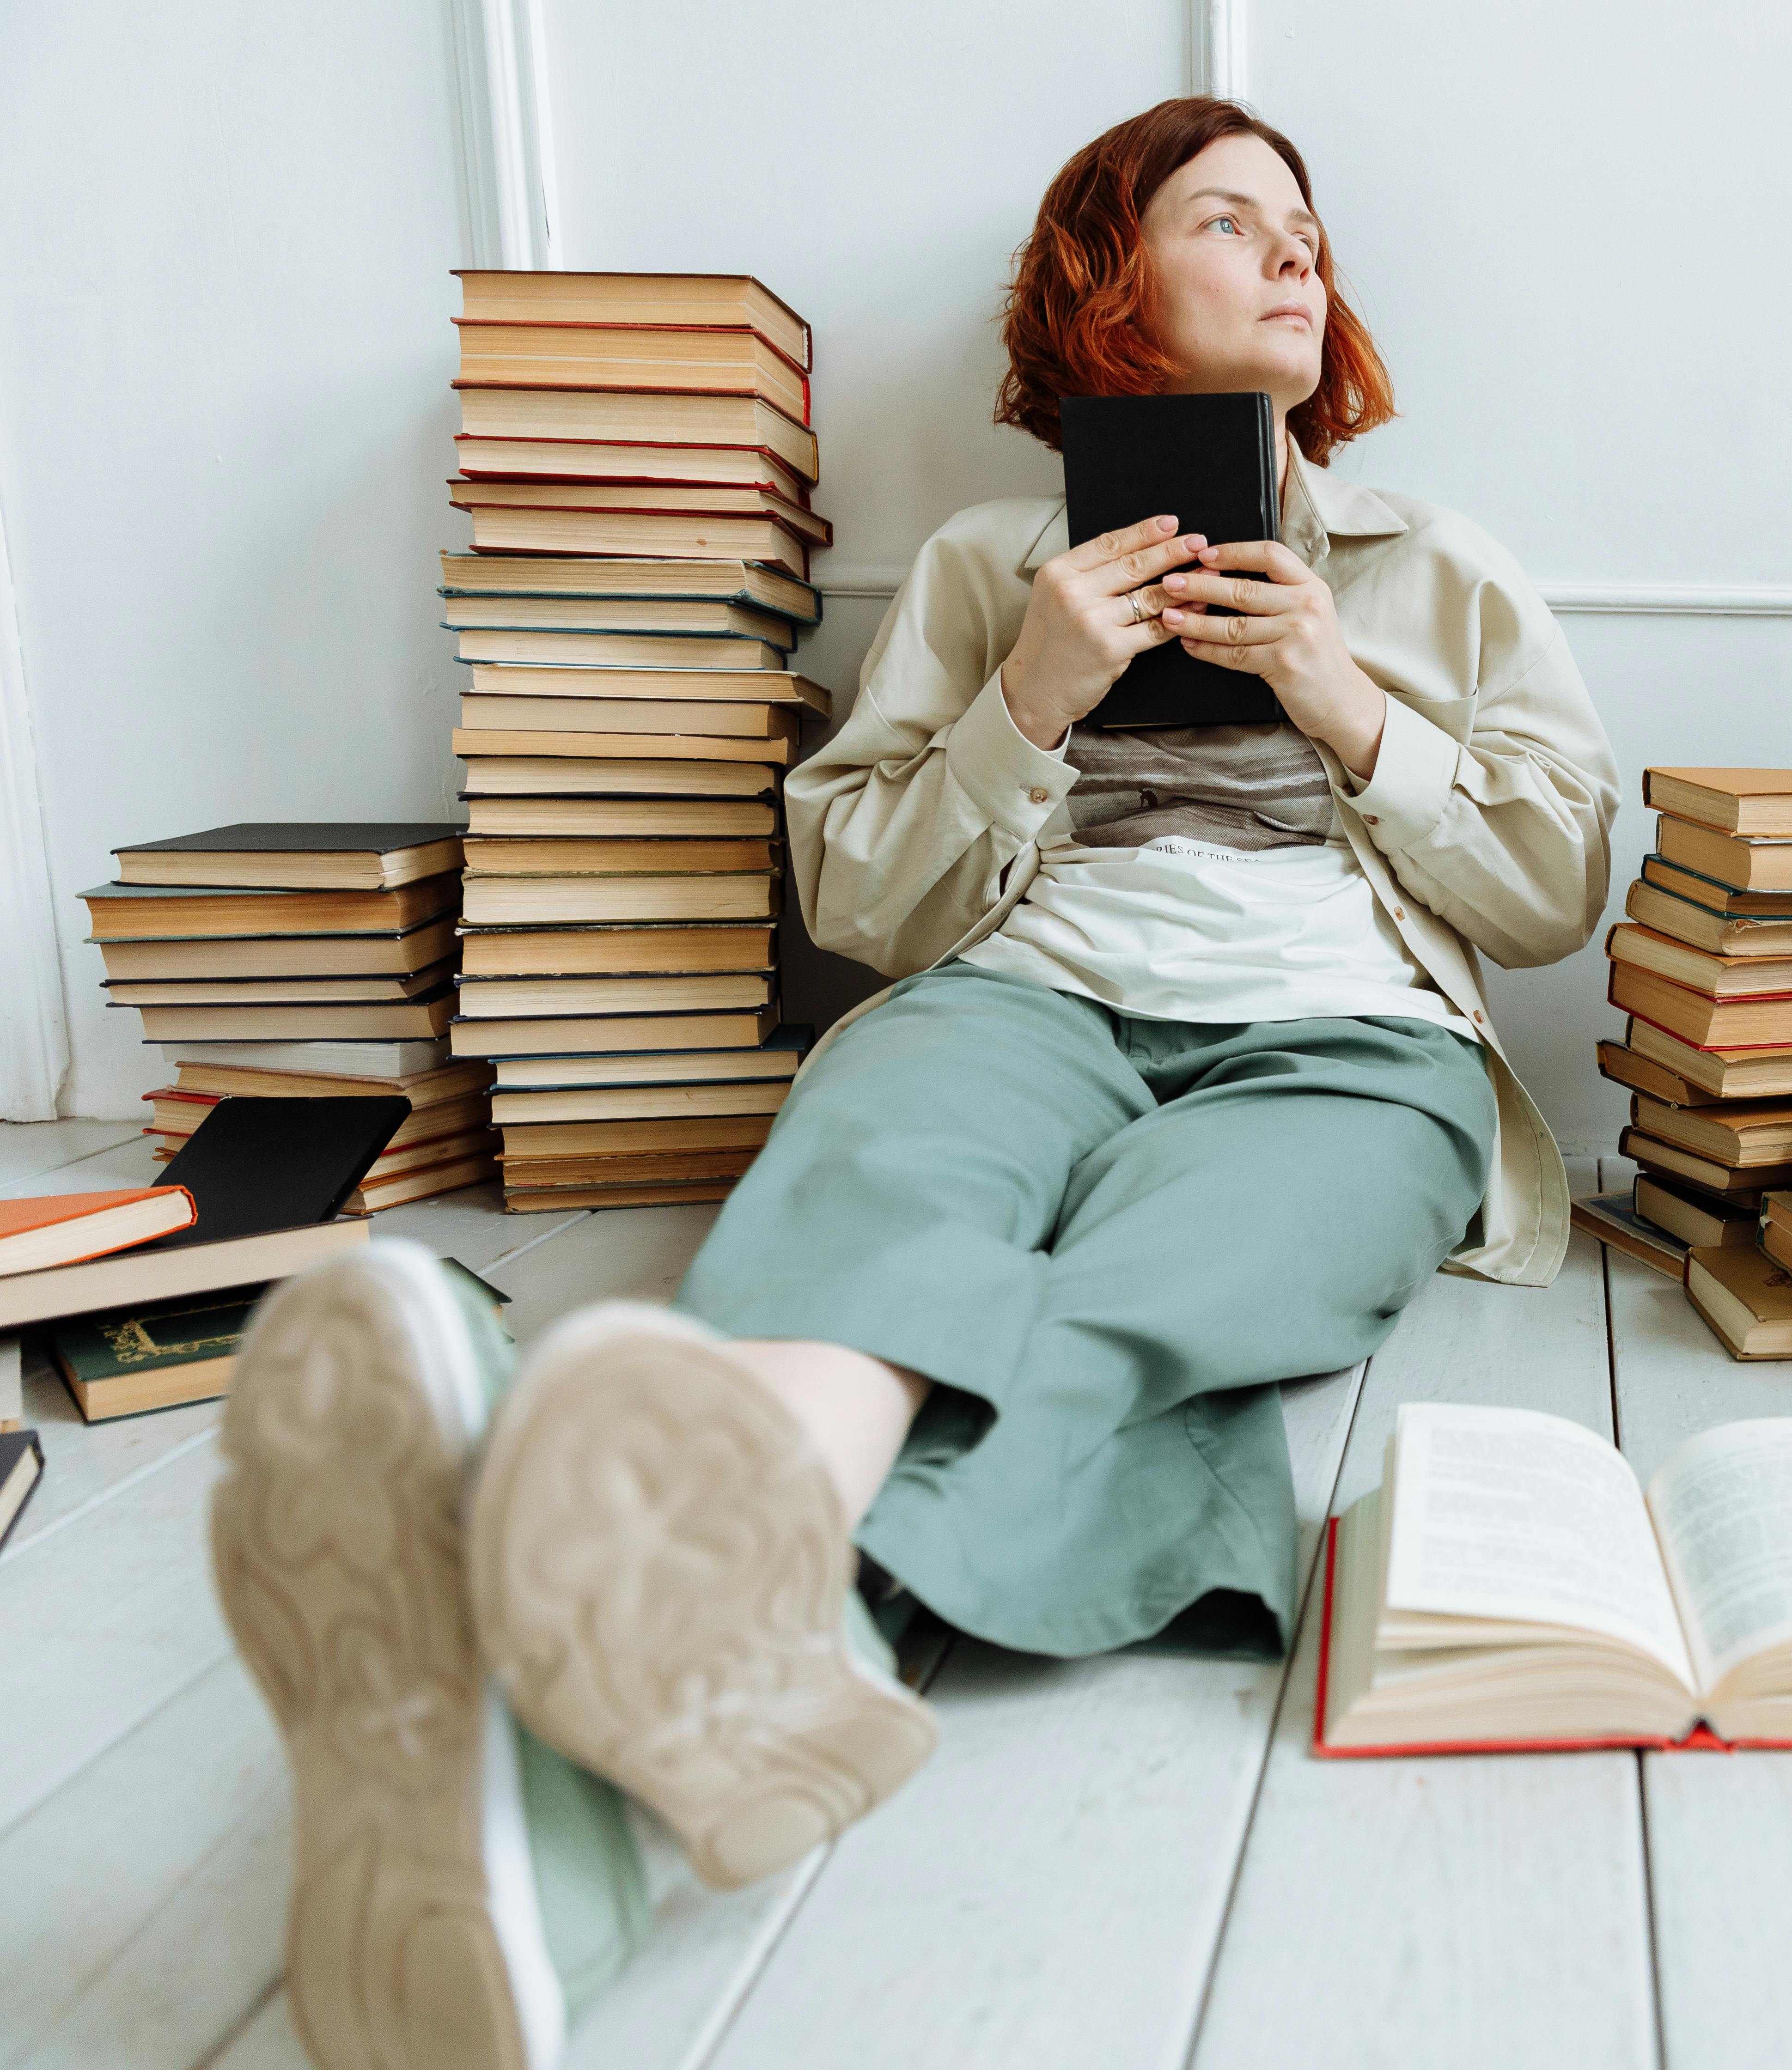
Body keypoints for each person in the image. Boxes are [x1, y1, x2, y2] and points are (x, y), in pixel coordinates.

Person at [208, 97, 1617, 2070]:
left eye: (1310, 227)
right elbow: (862, 900)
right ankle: (705, 1563)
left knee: (1159, 1288)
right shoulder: (982, 568)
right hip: (1024, 993)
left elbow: (1559, 892)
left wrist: (1348, 700)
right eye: (1232, 222)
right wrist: (1031, 691)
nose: (1301, 254)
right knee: (876, 1187)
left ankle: (587, 1642)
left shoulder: (1437, 566)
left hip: (1348, 1041)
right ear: (1110, 291)